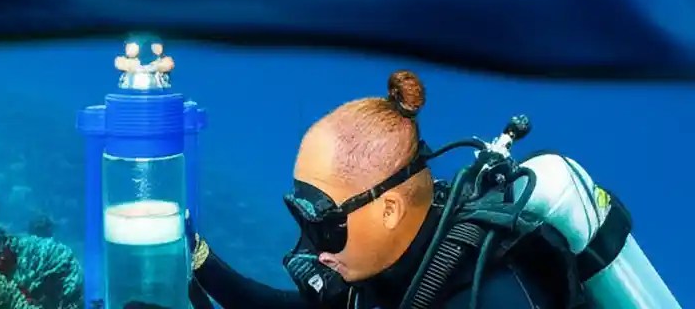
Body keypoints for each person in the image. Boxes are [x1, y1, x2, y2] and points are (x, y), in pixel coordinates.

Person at [187, 70, 581, 309]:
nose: (314, 247)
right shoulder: (393, 263)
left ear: (389, 210)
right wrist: (200, 262)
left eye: (325, 224)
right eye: (302, 218)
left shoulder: (484, 297)